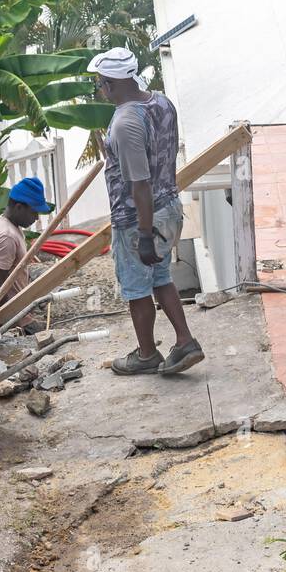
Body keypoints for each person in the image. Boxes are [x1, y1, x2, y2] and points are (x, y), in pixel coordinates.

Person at [88, 47, 203, 376]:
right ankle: (185, 342)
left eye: (100, 84)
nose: (100, 89)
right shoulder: (161, 102)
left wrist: (143, 234)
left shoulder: (125, 123)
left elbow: (139, 184)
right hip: (169, 207)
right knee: (161, 276)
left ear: (110, 84)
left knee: (137, 288)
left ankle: (147, 353)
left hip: (139, 217)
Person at [0, 176, 53, 333]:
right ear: (19, 207)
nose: (36, 218)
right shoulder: (6, 236)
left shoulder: (10, 225)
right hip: (9, 318)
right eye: (34, 212)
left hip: (17, 311)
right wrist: (19, 320)